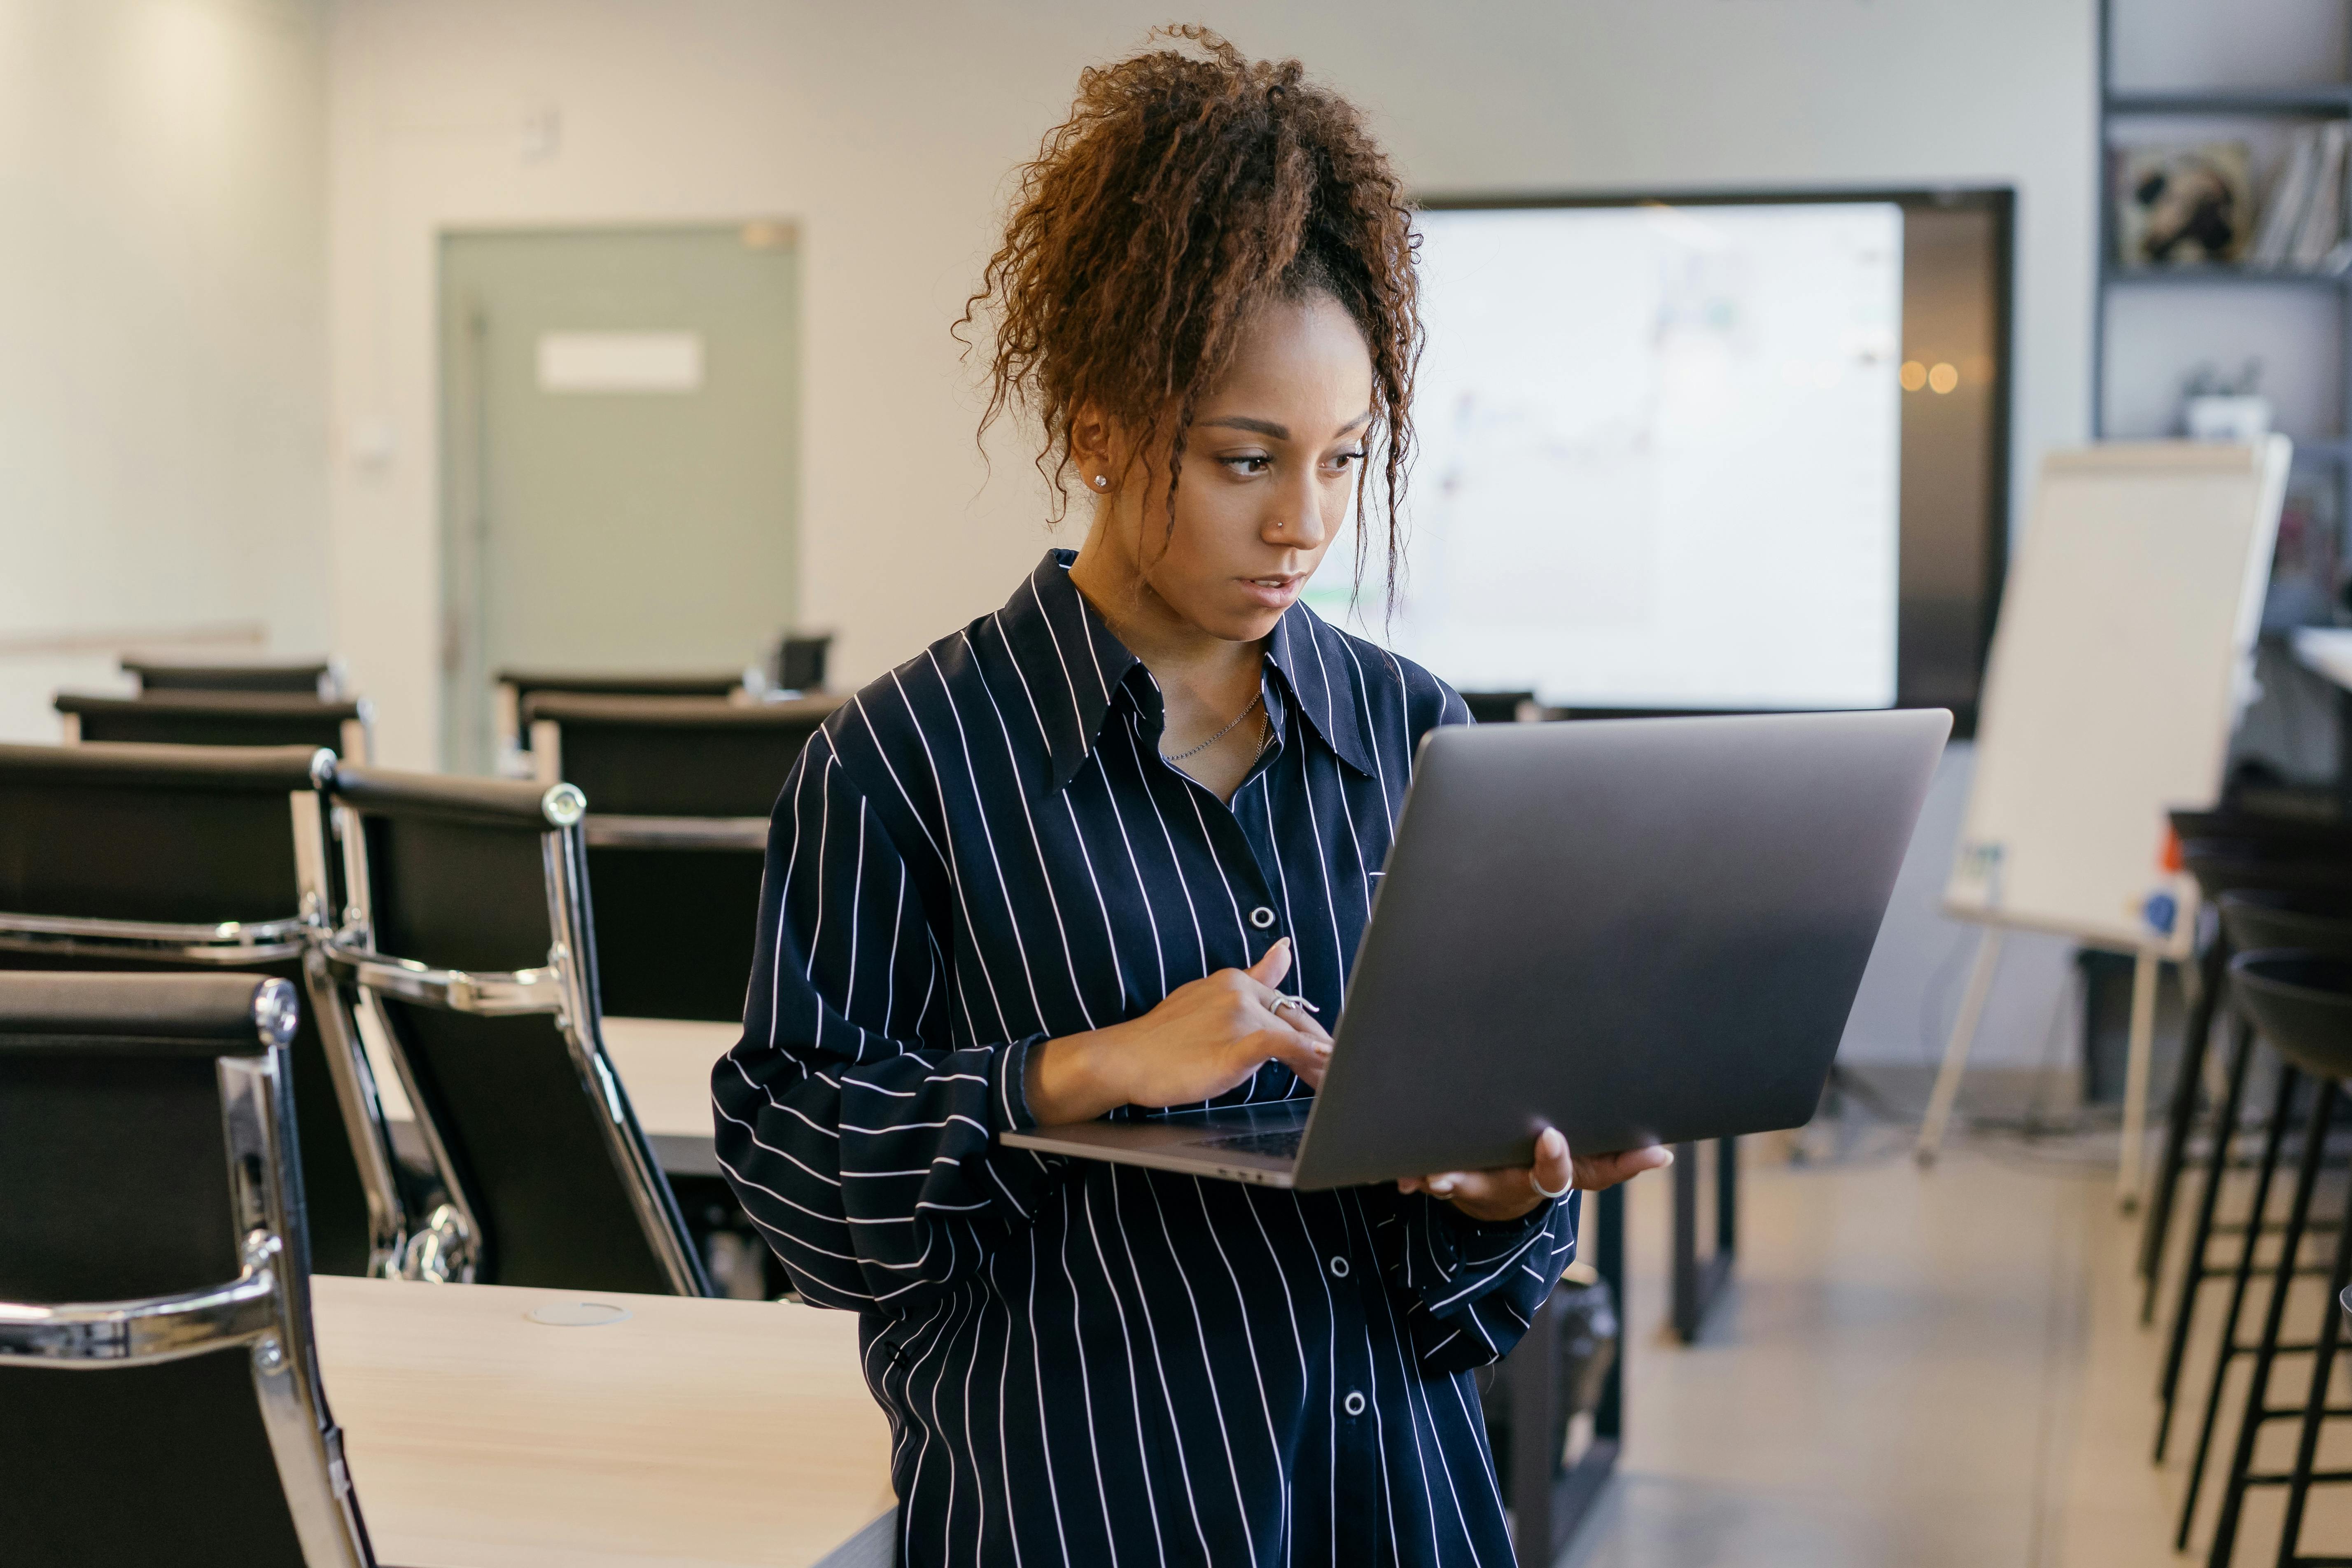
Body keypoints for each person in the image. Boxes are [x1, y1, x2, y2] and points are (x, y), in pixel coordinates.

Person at [714, 27, 1668, 1565]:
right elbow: (798, 1192)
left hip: (1397, 1519)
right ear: (1097, 424)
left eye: (1344, 461)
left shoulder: (1417, 739)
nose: (1303, 525)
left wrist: (1505, 1206)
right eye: (1245, 461)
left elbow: (1461, 1310)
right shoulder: (906, 761)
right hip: (1076, 1519)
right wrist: (1076, 1073)